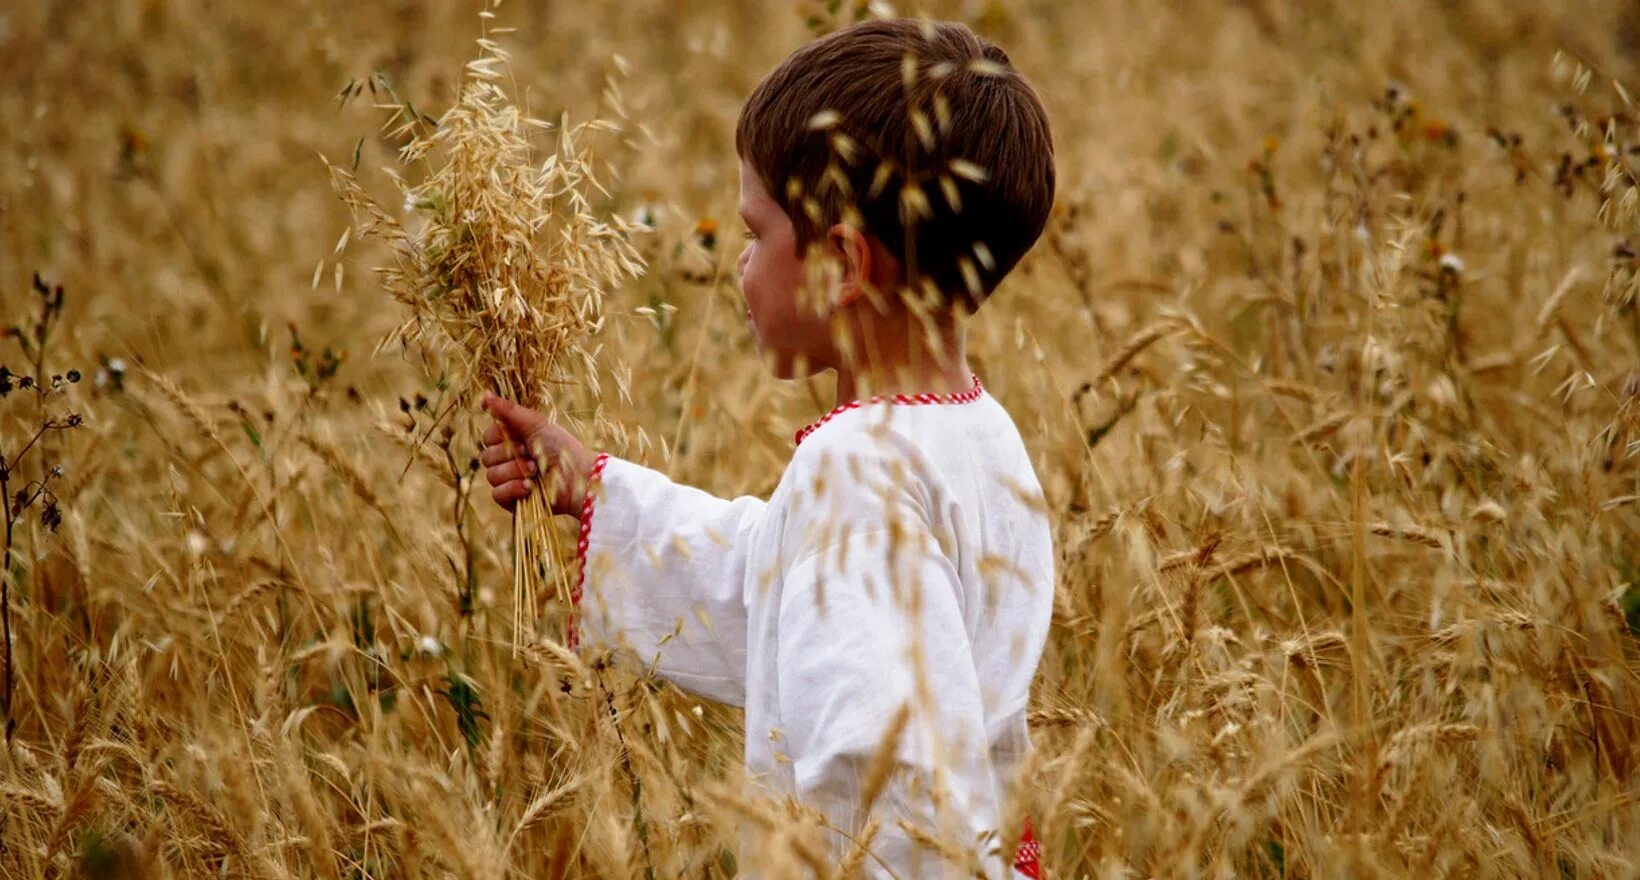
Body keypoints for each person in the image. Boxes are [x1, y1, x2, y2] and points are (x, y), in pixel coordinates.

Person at [480, 18, 1055, 877]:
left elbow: (880, 787)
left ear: (844, 264)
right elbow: (781, 597)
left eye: (757, 233)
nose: (739, 265)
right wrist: (597, 491)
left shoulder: (856, 471)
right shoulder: (981, 435)